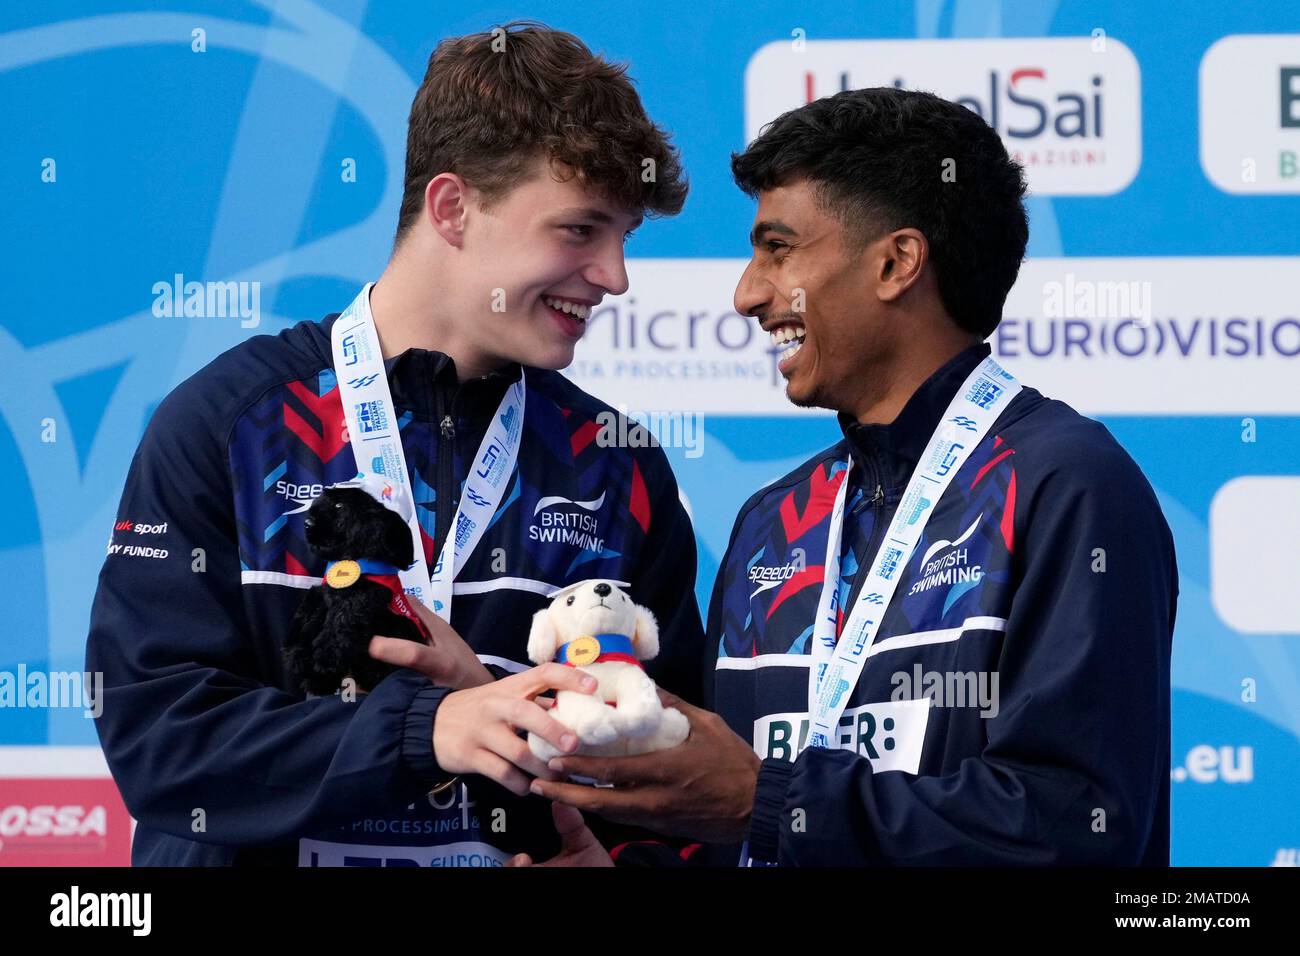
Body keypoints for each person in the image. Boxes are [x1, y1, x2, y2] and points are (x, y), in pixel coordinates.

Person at [85, 21, 704, 867]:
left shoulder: (616, 462)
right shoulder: (228, 422)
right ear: (453, 208)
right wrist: (429, 727)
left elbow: (671, 781)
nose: (615, 276)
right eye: (580, 231)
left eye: (624, 237)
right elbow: (159, 740)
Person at [528, 87, 1179, 867]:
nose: (747, 293)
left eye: (778, 248)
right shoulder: (775, 518)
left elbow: (1075, 829)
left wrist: (766, 800)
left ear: (896, 262)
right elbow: (729, 830)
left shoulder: (1067, 485)